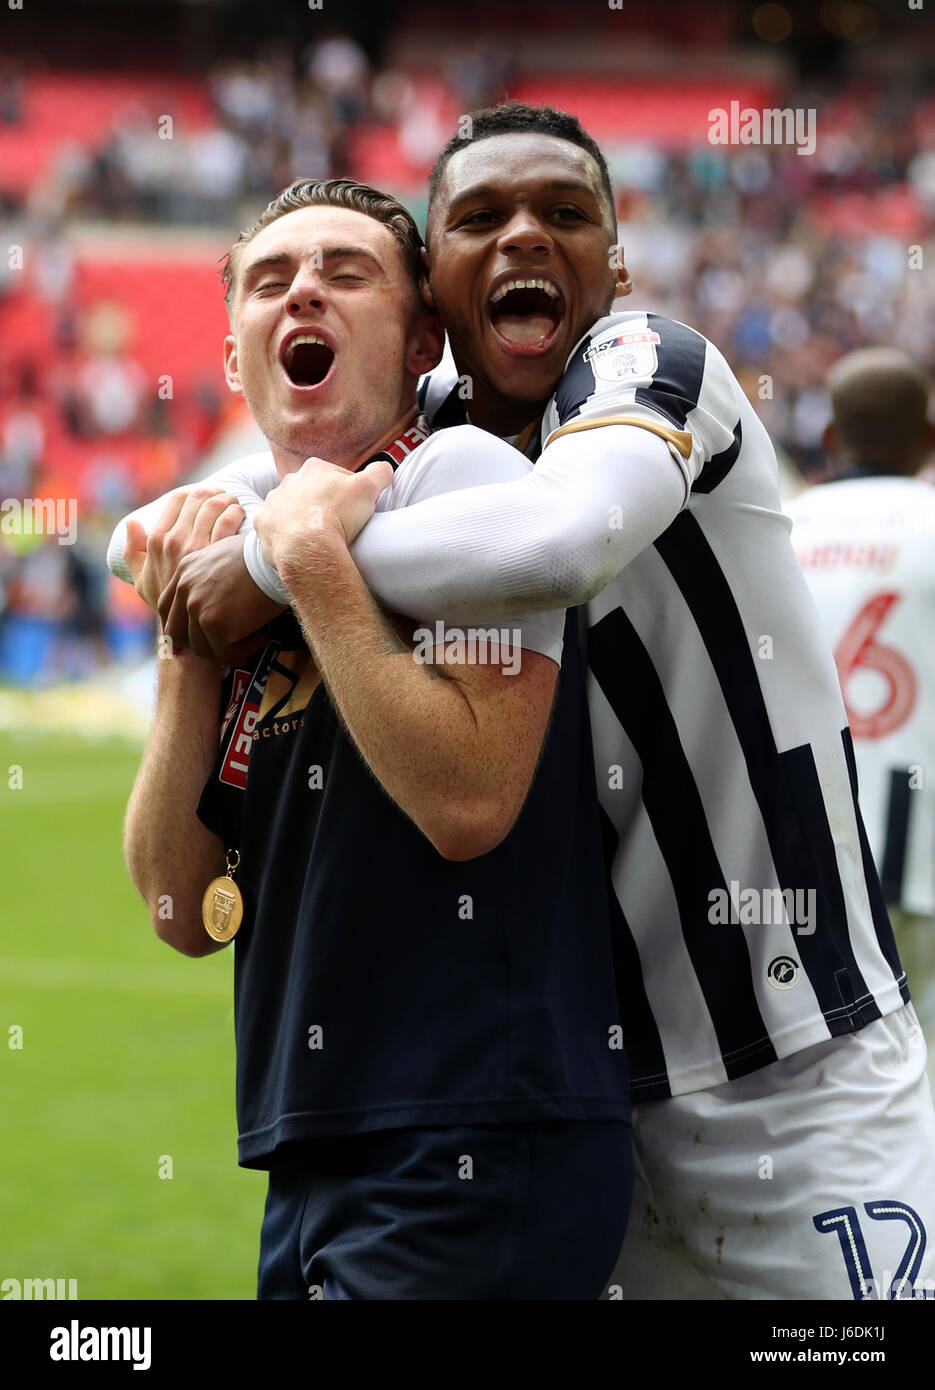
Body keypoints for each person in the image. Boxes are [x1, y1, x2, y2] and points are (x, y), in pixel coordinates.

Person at [112, 104, 935, 1301]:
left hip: (791, 1057)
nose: (523, 239)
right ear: (436, 304)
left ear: (617, 262)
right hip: (592, 1078)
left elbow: (561, 542)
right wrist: (213, 538)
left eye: (564, 214)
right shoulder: (419, 446)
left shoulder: (651, 362)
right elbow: (210, 505)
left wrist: (265, 560)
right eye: (479, 217)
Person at [120, 178, 631, 1300]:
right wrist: (190, 640)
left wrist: (306, 566)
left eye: (344, 274)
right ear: (230, 359)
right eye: (270, 280)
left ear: (419, 344)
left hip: (478, 1131)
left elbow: (468, 805)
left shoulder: (465, 484)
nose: (301, 289)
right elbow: (178, 911)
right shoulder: (237, 551)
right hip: (307, 1147)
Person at [786, 347, 935, 1054]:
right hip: (917, 854)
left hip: (797, 855)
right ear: (927, 437)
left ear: (828, 438)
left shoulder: (777, 531)